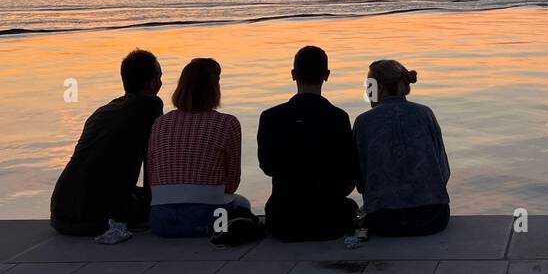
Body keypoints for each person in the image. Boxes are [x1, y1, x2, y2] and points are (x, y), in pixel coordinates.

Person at [50, 49, 164, 242]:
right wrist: (155, 204)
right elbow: (151, 162)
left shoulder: (103, 111)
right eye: (159, 77)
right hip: (95, 218)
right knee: (159, 204)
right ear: (151, 83)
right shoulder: (151, 105)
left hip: (60, 211)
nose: (160, 83)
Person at [257, 45, 361, 241]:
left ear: (293, 74)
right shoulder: (338, 117)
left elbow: (267, 166)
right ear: (327, 75)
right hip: (329, 223)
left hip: (283, 221)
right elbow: (349, 169)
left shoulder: (270, 117)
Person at [147, 57, 251, 237]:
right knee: (243, 204)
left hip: (160, 222)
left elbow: (151, 176)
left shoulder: (160, 123)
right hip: (209, 220)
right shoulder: (227, 123)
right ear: (214, 89)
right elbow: (232, 183)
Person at [352, 59, 450, 236]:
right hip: (433, 218)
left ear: (379, 88)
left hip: (384, 222)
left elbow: (360, 181)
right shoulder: (425, 114)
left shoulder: (364, 122)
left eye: (368, 85)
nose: (366, 91)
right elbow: (443, 171)